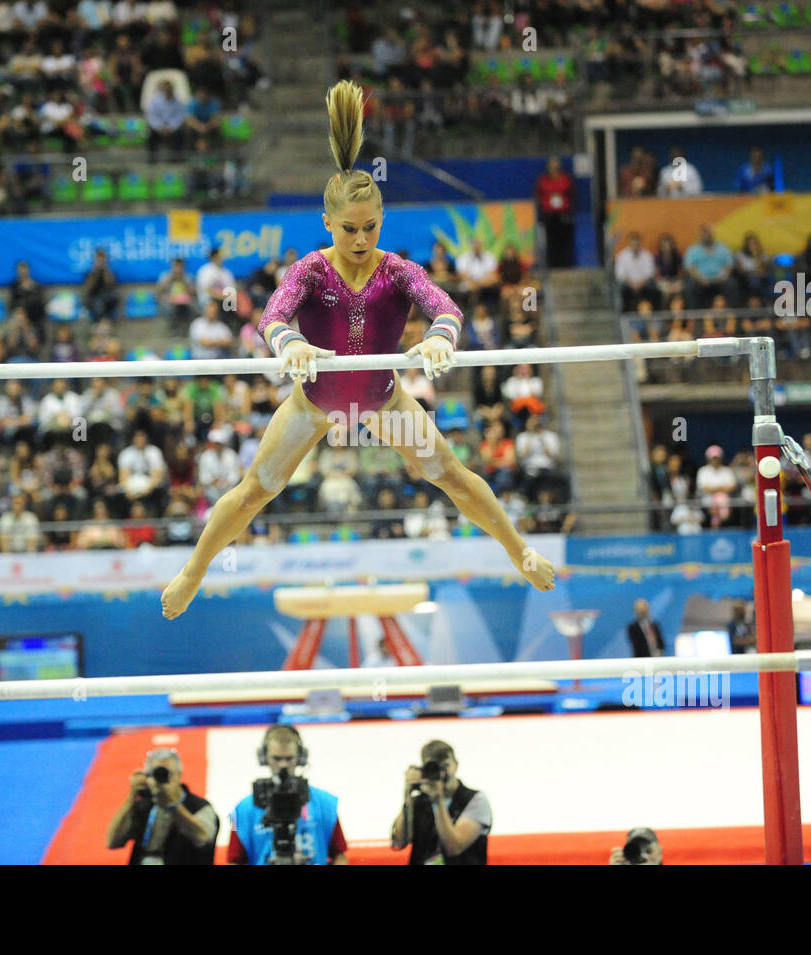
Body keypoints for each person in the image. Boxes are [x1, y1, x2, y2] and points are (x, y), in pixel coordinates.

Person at [160, 81, 555, 620]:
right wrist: (290, 342)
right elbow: (272, 316)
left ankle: (520, 551)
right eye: (349, 229)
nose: (361, 238)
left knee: (452, 478)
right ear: (327, 223)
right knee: (256, 491)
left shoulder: (397, 270)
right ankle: (192, 572)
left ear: (382, 220)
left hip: (386, 403)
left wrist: (441, 337)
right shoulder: (310, 270)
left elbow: (446, 307)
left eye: (371, 226)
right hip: (313, 403)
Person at [228, 725, 348, 865]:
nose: (283, 765)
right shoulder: (243, 811)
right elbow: (234, 861)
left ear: (300, 758)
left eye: (289, 758)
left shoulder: (325, 804)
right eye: (277, 759)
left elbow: (340, 856)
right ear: (264, 757)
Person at [107, 746, 219, 865]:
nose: (160, 779)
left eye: (165, 773)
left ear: (179, 775)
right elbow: (112, 842)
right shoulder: (144, 805)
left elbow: (203, 838)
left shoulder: (199, 806)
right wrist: (131, 797)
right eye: (154, 774)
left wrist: (173, 805)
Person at [391, 739, 491, 865]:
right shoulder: (420, 801)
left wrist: (437, 802)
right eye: (435, 768)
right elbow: (399, 843)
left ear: (456, 765)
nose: (442, 773)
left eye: (445, 766)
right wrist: (407, 797)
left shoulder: (476, 800)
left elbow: (454, 847)